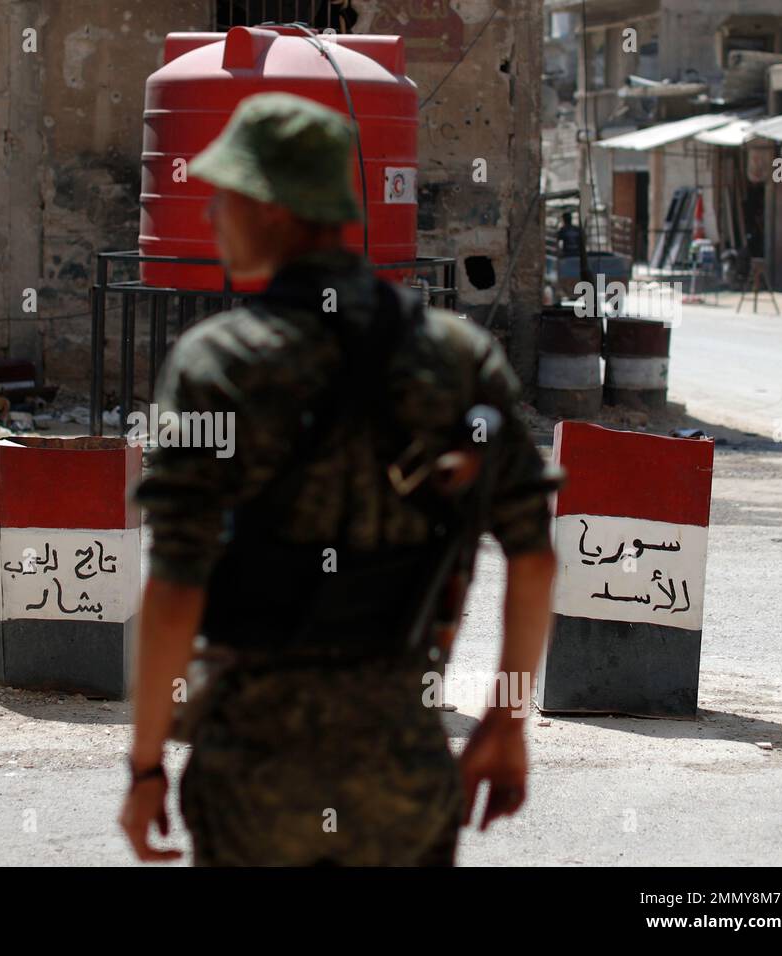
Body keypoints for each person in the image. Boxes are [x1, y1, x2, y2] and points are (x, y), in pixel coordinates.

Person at [118, 92, 559, 866]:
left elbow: (176, 587)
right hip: (403, 773)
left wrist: (147, 765)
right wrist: (507, 721)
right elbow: (532, 553)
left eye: (227, 195)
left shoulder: (217, 363)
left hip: (252, 777)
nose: (211, 213)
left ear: (275, 210)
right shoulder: (459, 357)